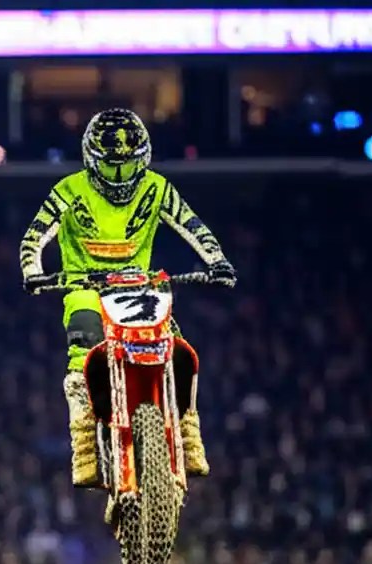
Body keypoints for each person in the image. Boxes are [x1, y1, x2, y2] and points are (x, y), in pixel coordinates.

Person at [19, 108, 237, 488]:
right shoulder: (69, 190)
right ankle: (85, 446)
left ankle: (188, 433)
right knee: (82, 349)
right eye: (111, 166)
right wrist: (32, 271)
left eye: (127, 165)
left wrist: (217, 261)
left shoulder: (157, 188)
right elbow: (34, 237)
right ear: (92, 159)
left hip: (140, 286)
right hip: (85, 288)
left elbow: (193, 225)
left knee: (177, 346)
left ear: (143, 157)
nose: (119, 175)